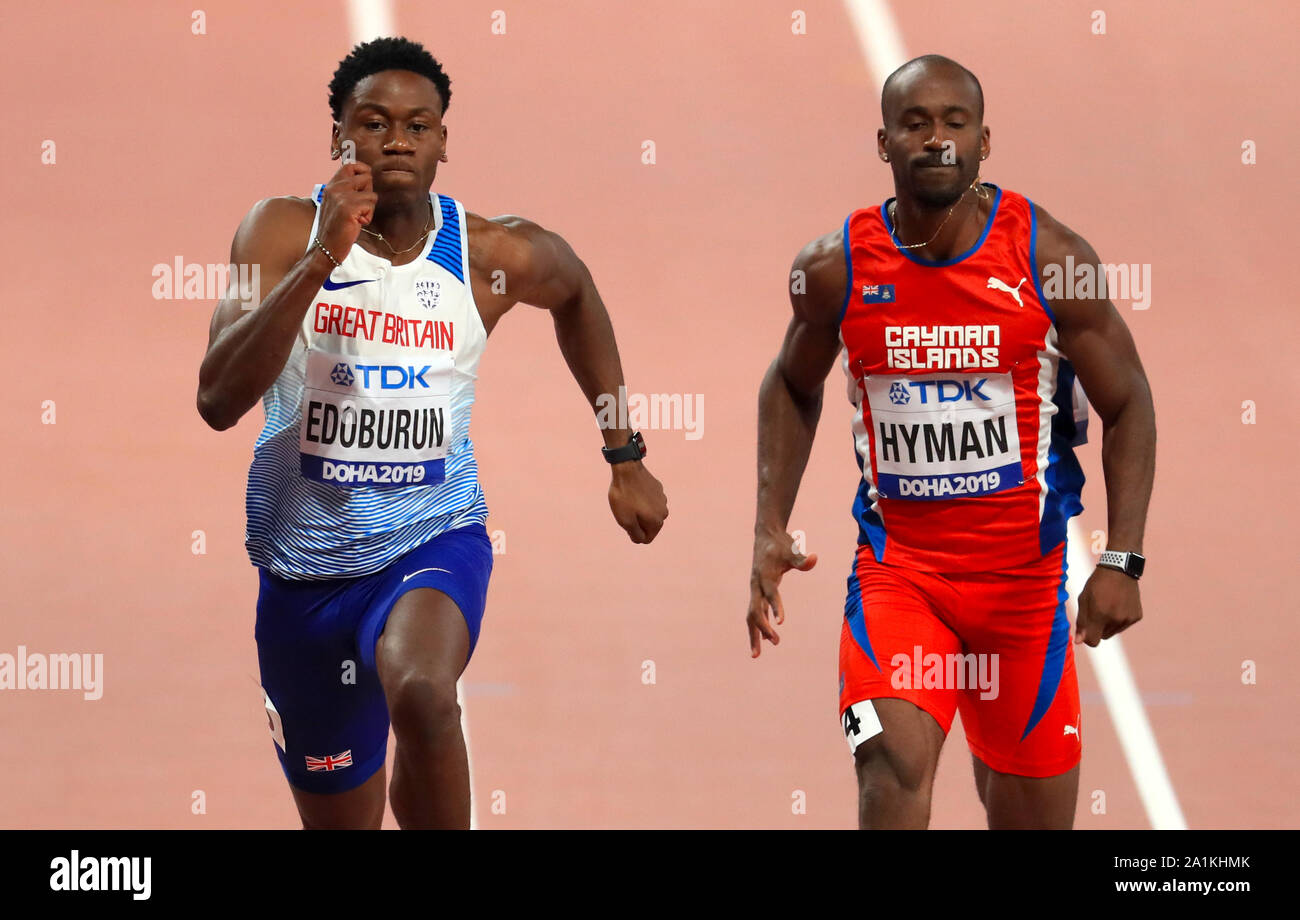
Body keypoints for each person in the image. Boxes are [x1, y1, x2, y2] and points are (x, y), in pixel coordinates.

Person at [197, 37, 668, 829]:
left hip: (432, 535)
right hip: (302, 572)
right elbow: (217, 398)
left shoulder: (484, 253)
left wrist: (624, 454)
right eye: (374, 123)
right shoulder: (277, 234)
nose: (398, 140)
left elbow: (575, 290)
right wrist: (319, 261)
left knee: (420, 687)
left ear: (444, 142)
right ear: (338, 137)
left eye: (419, 125)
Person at [747, 54, 1155, 829]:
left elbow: (1129, 401)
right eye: (916, 123)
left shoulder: (1050, 260)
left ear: (984, 142)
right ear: (883, 143)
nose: (937, 140)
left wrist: (1122, 557)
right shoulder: (837, 268)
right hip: (902, 578)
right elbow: (790, 383)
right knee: (890, 774)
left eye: (954, 123)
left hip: (1024, 592)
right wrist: (770, 524)